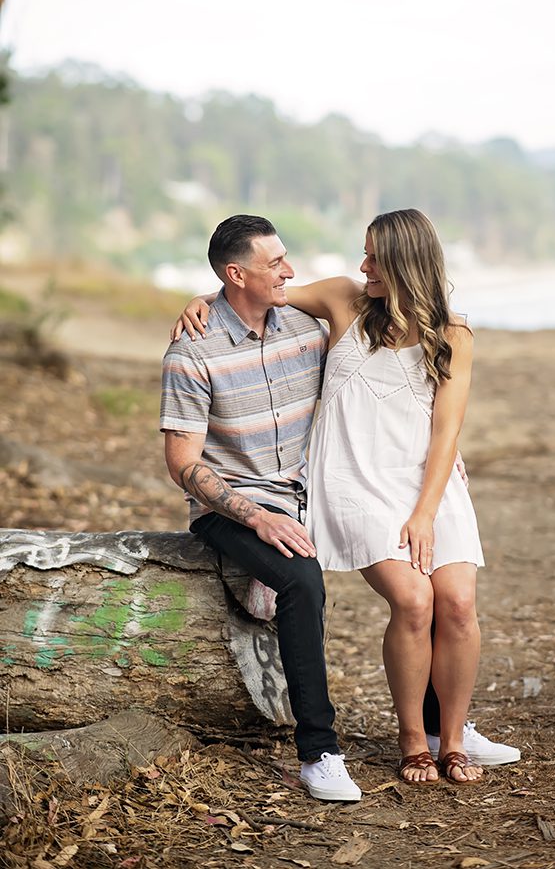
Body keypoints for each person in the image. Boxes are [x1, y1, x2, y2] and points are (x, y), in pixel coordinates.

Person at [173, 210, 521, 784]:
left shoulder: (454, 334)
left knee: (457, 601)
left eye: (375, 258)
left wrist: (426, 513)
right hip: (353, 477)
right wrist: (201, 298)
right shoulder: (343, 299)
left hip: (426, 480)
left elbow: (446, 432)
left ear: (408, 264)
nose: (362, 267)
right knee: (414, 599)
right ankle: (413, 741)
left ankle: (453, 738)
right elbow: (262, 291)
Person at [160, 215, 362, 802]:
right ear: (236, 273)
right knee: (302, 579)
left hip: (309, 491)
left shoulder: (305, 329)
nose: (290, 271)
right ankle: (320, 754)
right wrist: (256, 516)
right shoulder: (191, 353)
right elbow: (182, 464)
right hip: (231, 506)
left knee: (411, 563)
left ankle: (436, 729)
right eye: (275, 265)